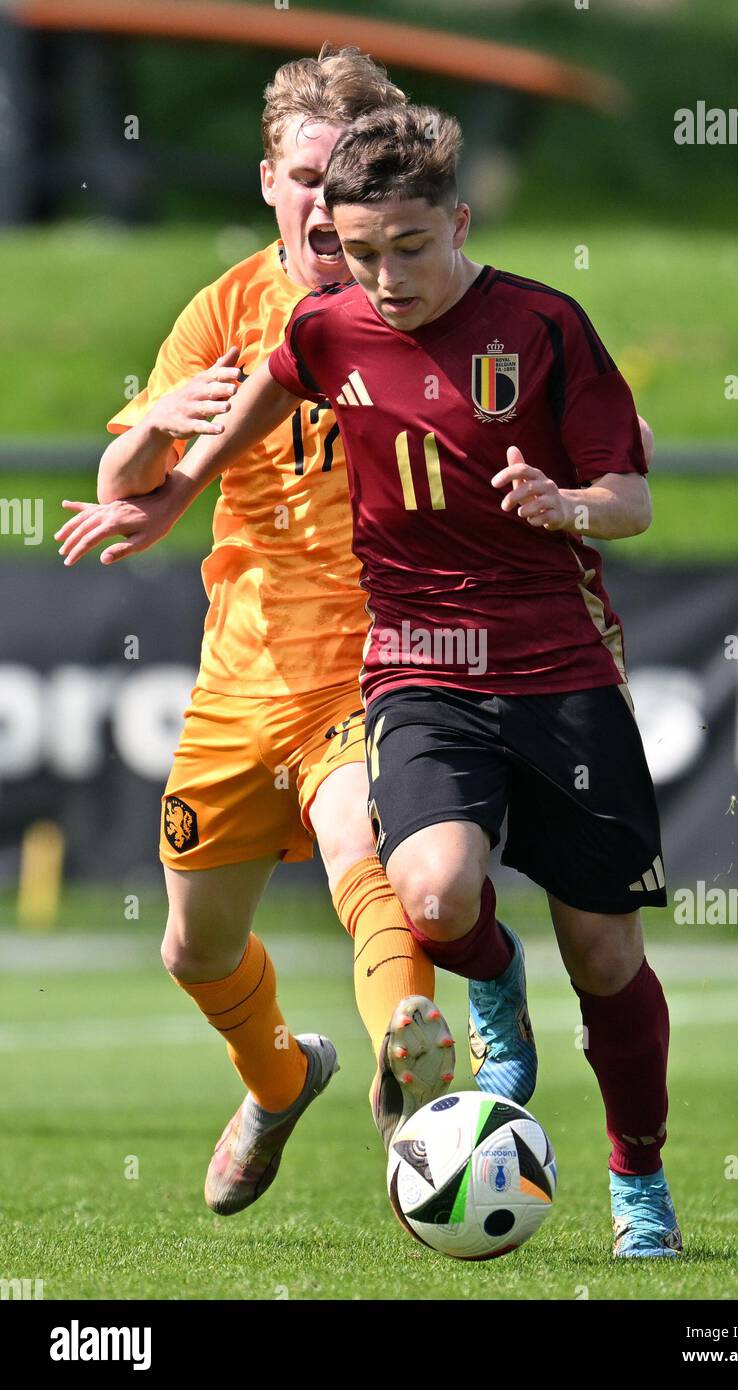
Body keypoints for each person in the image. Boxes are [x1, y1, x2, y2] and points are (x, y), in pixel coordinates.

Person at [58, 102, 676, 1257]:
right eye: (357, 246)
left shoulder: (542, 325)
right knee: (390, 904)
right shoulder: (310, 322)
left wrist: (571, 502)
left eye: (407, 247)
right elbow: (257, 392)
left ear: (458, 221)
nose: (382, 277)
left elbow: (630, 491)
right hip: (373, 668)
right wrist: (171, 489)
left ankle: (623, 1171)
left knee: (595, 950)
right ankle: (448, 1011)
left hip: (534, 664)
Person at [57, 47, 463, 1221]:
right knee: (194, 949)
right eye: (303, 176)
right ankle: (282, 1080)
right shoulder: (225, 310)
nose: (323, 202)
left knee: (361, 852)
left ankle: (412, 1076)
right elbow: (123, 480)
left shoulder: (415, 302)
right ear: (271, 182)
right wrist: (158, 425)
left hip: (378, 659)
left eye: (345, 176)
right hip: (242, 671)